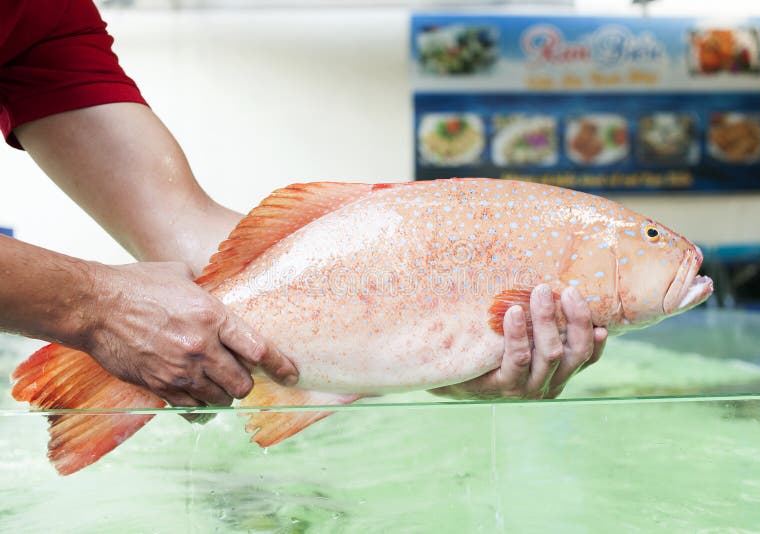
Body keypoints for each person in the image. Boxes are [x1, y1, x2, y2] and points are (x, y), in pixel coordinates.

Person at [0, 0, 607, 410]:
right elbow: (104, 299)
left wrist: (422, 352)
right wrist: (95, 303)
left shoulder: (49, 12)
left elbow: (181, 228)